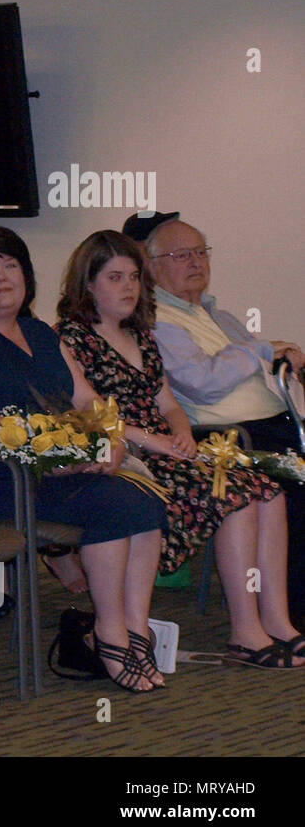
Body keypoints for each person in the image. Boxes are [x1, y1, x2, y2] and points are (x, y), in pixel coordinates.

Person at [0, 228, 167, 692]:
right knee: (113, 504)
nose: (0, 278)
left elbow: (89, 402)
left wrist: (110, 439)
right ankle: (110, 634)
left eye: (10, 265)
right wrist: (64, 454)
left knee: (141, 499)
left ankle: (135, 632)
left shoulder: (38, 331)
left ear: (27, 275)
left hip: (57, 472)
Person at [57, 230, 304, 666]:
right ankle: (246, 631)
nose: (129, 287)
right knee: (238, 497)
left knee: (268, 491)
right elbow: (91, 413)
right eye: (115, 278)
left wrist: (181, 432)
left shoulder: (141, 335)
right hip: (129, 454)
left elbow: (168, 403)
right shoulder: (72, 338)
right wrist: (157, 440)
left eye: (134, 277)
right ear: (88, 284)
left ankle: (278, 621)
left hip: (167, 445)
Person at [146, 219, 305, 624]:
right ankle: (295, 612)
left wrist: (281, 352)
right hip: (226, 439)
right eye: (180, 255)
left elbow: (252, 358)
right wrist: (261, 351)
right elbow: (203, 383)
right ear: (151, 267)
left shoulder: (221, 314)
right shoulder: (158, 320)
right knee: (298, 488)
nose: (195, 261)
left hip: (275, 425)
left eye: (201, 252)